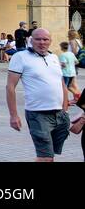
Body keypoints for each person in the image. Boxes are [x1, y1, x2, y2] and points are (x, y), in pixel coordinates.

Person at [7, 28, 71, 162]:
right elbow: (10, 87)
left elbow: (62, 85)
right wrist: (13, 115)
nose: (42, 42)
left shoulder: (54, 57)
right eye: (38, 39)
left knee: (49, 155)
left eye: (45, 39)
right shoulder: (21, 57)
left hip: (59, 115)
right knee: (45, 157)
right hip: (38, 114)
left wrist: (65, 110)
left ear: (50, 41)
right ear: (31, 40)